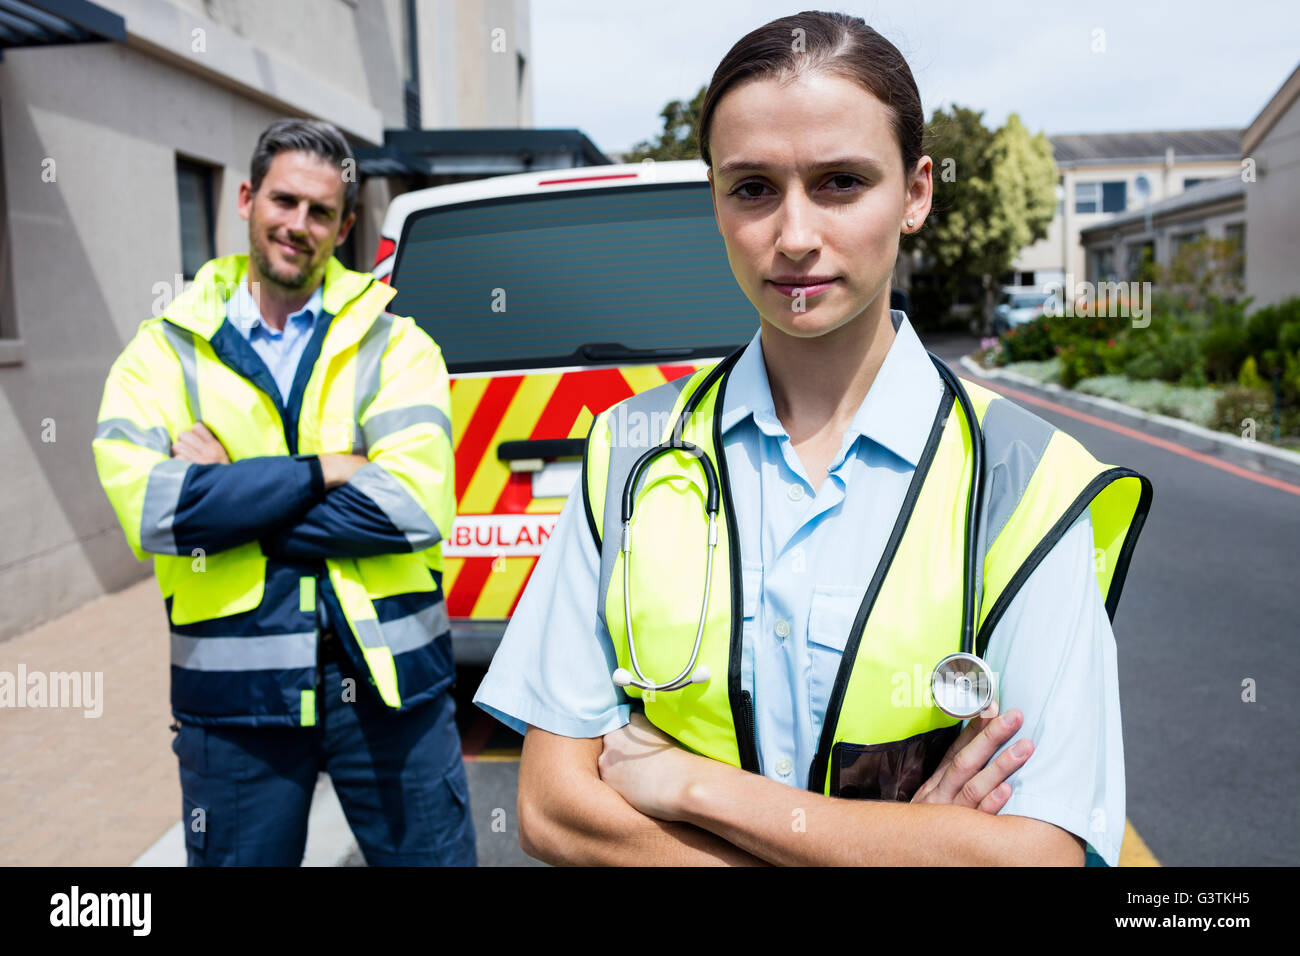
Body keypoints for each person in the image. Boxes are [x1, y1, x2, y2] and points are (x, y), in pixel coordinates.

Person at [473, 11, 1151, 866]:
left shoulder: (1028, 480)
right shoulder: (630, 448)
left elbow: (1037, 856)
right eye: (753, 188)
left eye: (840, 182)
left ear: (916, 193)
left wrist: (694, 786)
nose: (794, 237)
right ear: (714, 202)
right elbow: (552, 810)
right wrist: (906, 842)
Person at [92, 119, 475, 866]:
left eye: (320, 211)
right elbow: (153, 512)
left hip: (389, 690)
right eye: (285, 201)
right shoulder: (161, 351)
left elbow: (413, 508)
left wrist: (229, 493)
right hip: (237, 701)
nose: (298, 225)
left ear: (345, 226)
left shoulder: (395, 342)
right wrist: (325, 469)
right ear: (247, 197)